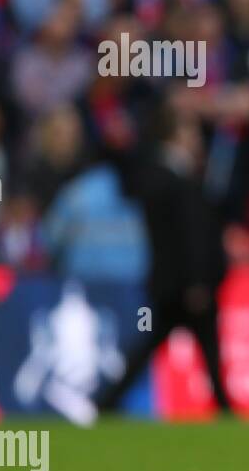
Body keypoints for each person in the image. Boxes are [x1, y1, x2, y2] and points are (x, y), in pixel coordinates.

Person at [95, 104, 232, 415]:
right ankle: (224, 408)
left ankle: (107, 402)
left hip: (172, 282)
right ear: (177, 134)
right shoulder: (174, 177)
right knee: (201, 348)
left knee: (161, 347)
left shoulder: (165, 174)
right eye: (191, 130)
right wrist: (198, 281)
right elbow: (190, 236)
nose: (198, 138)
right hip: (184, 284)